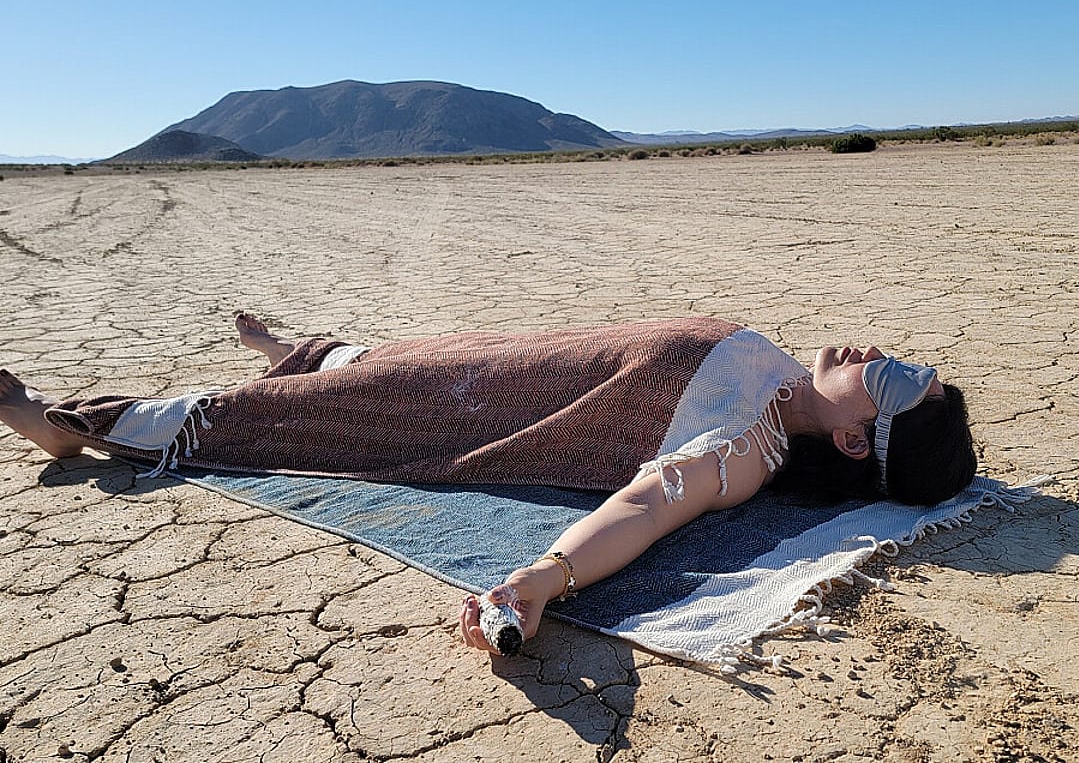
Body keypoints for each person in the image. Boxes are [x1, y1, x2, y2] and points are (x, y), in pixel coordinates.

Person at [0, 313, 975, 654]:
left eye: (892, 379)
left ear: (855, 441)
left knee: (336, 415)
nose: (876, 351)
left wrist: (543, 578)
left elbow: (646, 506)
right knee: (408, 359)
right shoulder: (782, 375)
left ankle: (81, 425)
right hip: (514, 361)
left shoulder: (745, 450)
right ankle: (295, 351)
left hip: (494, 414)